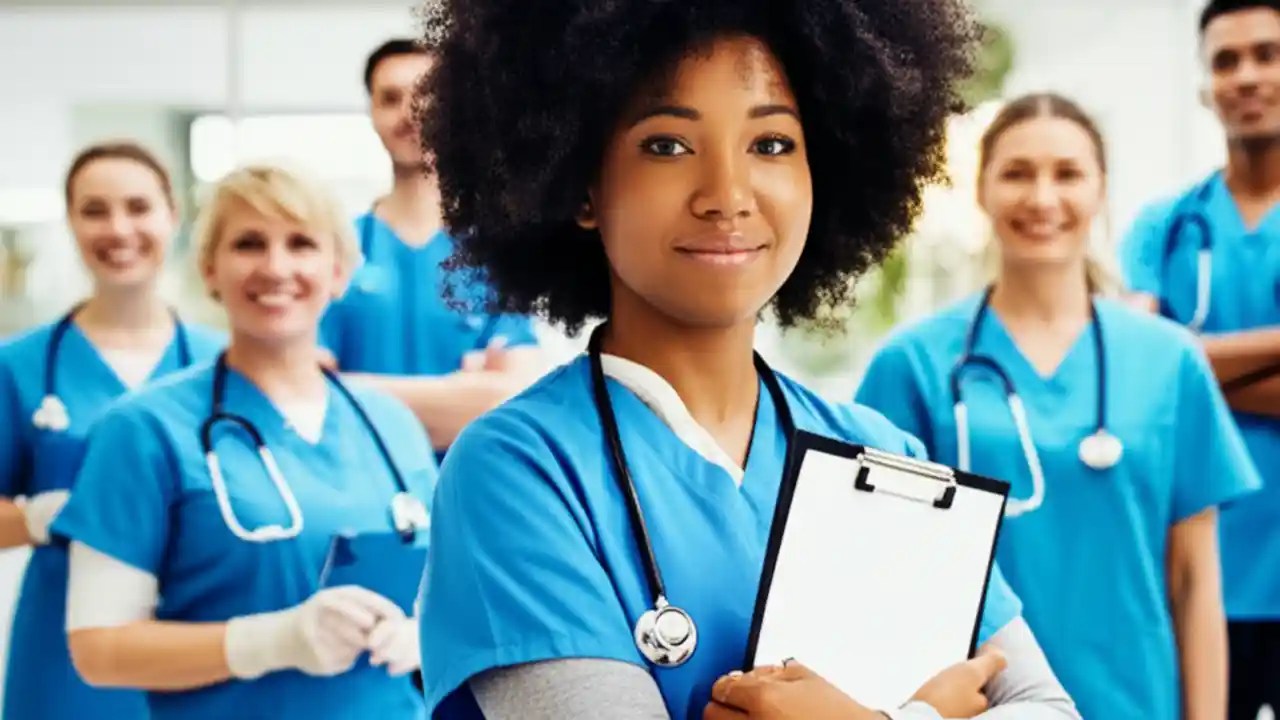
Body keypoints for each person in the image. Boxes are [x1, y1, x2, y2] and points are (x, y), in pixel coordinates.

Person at [413, 1, 1081, 718]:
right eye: (667, 145)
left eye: (770, 145)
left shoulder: (883, 456)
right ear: (581, 185)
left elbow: (1046, 707)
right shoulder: (517, 469)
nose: (728, 197)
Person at [856, 93, 1263, 720]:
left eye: (1067, 173)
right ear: (982, 190)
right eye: (1016, 173)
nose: (1042, 198)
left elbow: (1194, 580)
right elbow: (875, 568)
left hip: (1135, 703)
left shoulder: (1171, 361)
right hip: (981, 709)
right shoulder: (913, 364)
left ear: (1102, 190)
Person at [50, 164, 436, 720]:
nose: (276, 268)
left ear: (338, 271)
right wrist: (268, 642)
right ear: (209, 269)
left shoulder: (392, 426)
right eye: (249, 244)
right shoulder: (143, 429)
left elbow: (447, 589)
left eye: (301, 243)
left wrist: (427, 631)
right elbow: (99, 649)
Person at [0, 141, 225, 720]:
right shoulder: (19, 366)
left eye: (138, 206)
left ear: (173, 217)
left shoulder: (224, 365)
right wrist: (34, 518)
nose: (118, 228)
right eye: (94, 210)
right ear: (70, 221)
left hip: (196, 630)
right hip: (62, 645)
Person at [1120, 2, 1280, 716]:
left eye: (1267, 54)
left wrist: (1188, 363)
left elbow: (1165, 366)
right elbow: (1138, 374)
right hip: (1201, 570)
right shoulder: (1163, 225)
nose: (1246, 76)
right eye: (1225, 60)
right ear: (1204, 84)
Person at [319, 38, 543, 457]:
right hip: (362, 495)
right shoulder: (332, 249)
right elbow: (304, 395)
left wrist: (351, 390)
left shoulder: (499, 255)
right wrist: (457, 395)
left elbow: (510, 402)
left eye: (427, 97)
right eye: (390, 98)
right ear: (371, 113)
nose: (410, 113)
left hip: (469, 491)